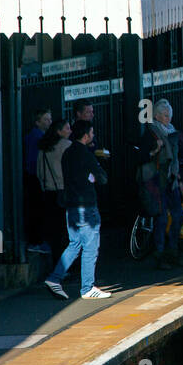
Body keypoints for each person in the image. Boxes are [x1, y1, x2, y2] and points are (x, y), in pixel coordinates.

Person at [44, 120, 111, 300]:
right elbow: (102, 178)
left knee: (74, 244)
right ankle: (87, 288)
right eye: (92, 132)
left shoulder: (67, 153)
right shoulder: (87, 155)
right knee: (91, 247)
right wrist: (95, 175)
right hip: (87, 207)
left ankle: (55, 277)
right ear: (86, 135)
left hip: (71, 205)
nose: (93, 135)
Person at [142, 99, 183, 269]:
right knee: (160, 219)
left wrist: (178, 178)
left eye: (170, 115)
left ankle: (172, 251)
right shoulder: (152, 132)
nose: (169, 118)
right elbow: (144, 156)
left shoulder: (171, 130)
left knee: (178, 216)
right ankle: (159, 254)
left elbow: (174, 158)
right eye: (165, 115)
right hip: (158, 181)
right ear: (157, 116)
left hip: (171, 180)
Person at [36, 118, 72, 255]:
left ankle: (57, 261)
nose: (70, 131)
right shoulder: (66, 145)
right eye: (67, 128)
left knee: (54, 229)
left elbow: (39, 172)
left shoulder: (43, 149)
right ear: (59, 131)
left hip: (48, 191)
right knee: (67, 228)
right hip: (63, 190)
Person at [23, 108, 52, 253]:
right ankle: (36, 241)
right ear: (37, 122)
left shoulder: (37, 136)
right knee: (37, 209)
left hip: (34, 176)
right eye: (46, 119)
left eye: (50, 119)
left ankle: (37, 240)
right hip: (35, 178)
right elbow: (34, 161)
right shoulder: (37, 138)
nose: (49, 122)